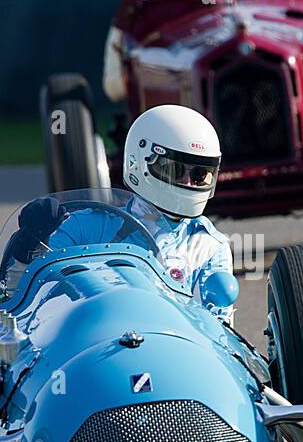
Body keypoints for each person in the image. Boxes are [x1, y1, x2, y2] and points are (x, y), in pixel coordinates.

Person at [49, 105, 236, 321]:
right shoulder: (87, 226)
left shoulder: (210, 245)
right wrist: (33, 240)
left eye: (200, 174)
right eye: (173, 169)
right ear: (138, 162)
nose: (188, 182)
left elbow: (218, 333)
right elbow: (36, 294)